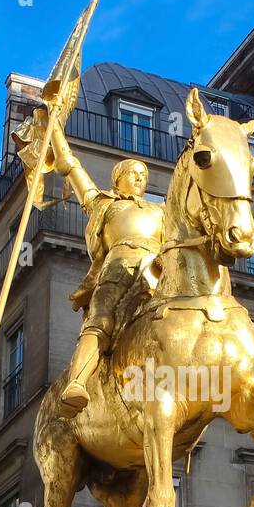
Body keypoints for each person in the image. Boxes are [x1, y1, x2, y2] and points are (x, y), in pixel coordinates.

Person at [49, 121, 164, 412]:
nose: (140, 179)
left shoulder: (159, 210)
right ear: (117, 179)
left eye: (143, 175)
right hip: (119, 265)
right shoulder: (104, 203)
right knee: (101, 320)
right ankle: (77, 381)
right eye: (133, 173)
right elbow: (70, 166)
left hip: (159, 267)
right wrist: (54, 131)